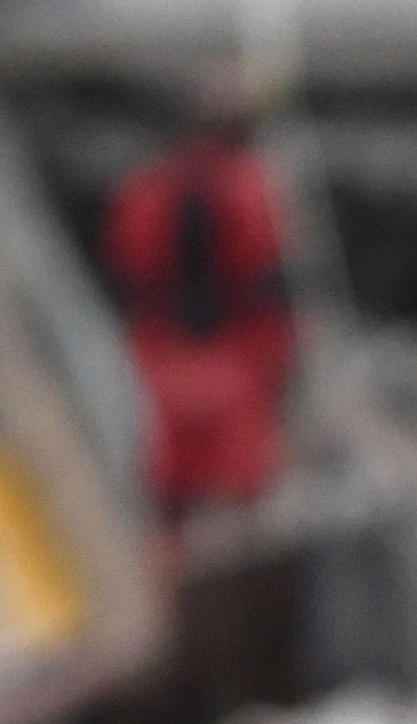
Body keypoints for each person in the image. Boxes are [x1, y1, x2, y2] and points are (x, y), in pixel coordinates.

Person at [99, 65, 295, 553]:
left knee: (169, 506)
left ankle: (172, 602)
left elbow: (127, 276)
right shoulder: (250, 190)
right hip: (234, 363)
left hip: (165, 363)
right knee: (245, 510)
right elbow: (266, 282)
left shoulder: (145, 191)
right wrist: (282, 363)